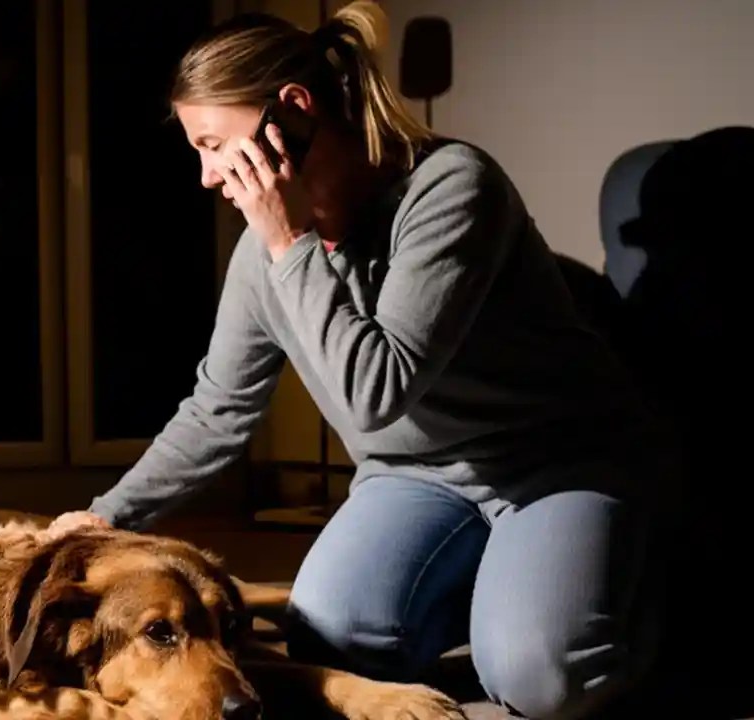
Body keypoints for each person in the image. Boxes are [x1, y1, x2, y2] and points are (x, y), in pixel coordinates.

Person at [47, 2, 666, 718]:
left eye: (214, 144)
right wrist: (100, 517)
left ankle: (620, 588)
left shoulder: (450, 189)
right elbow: (217, 410)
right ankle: (505, 587)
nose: (208, 177)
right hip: (414, 478)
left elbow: (377, 391)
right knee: (327, 644)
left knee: (545, 680)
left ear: (294, 112)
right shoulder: (266, 251)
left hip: (553, 467)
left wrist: (289, 246)